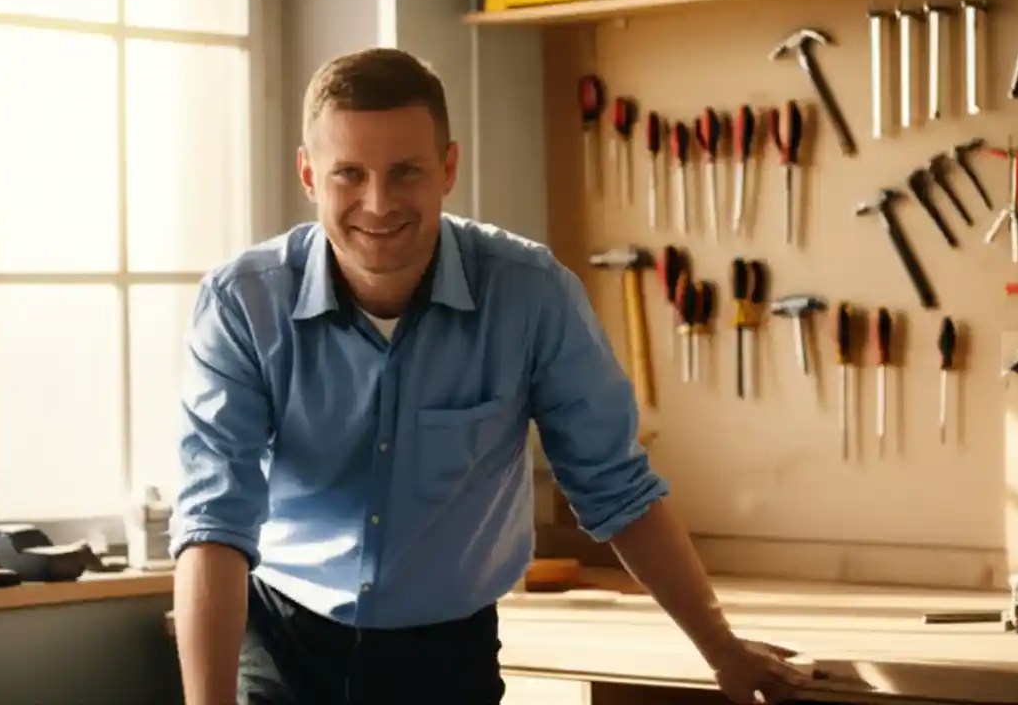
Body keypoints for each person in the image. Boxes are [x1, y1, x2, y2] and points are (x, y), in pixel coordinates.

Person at [169, 46, 811, 705]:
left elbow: (616, 488)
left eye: (406, 171)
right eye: (349, 174)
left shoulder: (532, 296)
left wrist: (721, 648)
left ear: (448, 168)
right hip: (285, 644)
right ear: (308, 174)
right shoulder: (242, 304)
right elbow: (214, 525)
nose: (378, 202)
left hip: (448, 656)